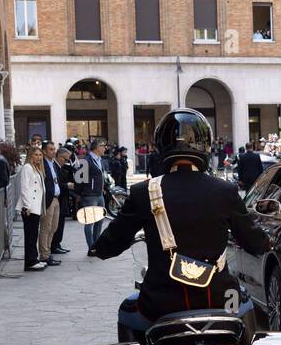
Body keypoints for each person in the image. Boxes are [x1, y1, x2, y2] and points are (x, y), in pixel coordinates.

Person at [91, 109, 270, 321]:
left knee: (127, 311)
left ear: (161, 145)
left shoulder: (144, 192)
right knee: (244, 301)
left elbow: (111, 244)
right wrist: (265, 240)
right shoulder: (225, 190)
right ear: (206, 144)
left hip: (161, 304)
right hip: (220, 299)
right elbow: (255, 243)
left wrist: (99, 248)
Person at [77, 138, 109, 255]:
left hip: (99, 194)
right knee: (89, 223)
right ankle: (91, 249)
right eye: (103, 145)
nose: (105, 148)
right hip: (90, 196)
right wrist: (83, 194)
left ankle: (96, 246)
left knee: (99, 221)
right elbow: (79, 179)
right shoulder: (86, 161)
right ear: (96, 147)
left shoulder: (100, 160)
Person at [38, 141, 63, 267]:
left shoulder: (53, 164)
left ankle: (47, 252)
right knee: (46, 228)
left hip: (56, 199)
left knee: (53, 228)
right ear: (44, 151)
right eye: (51, 149)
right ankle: (44, 255)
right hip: (48, 200)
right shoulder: (42, 164)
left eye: (54, 149)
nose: (54, 151)